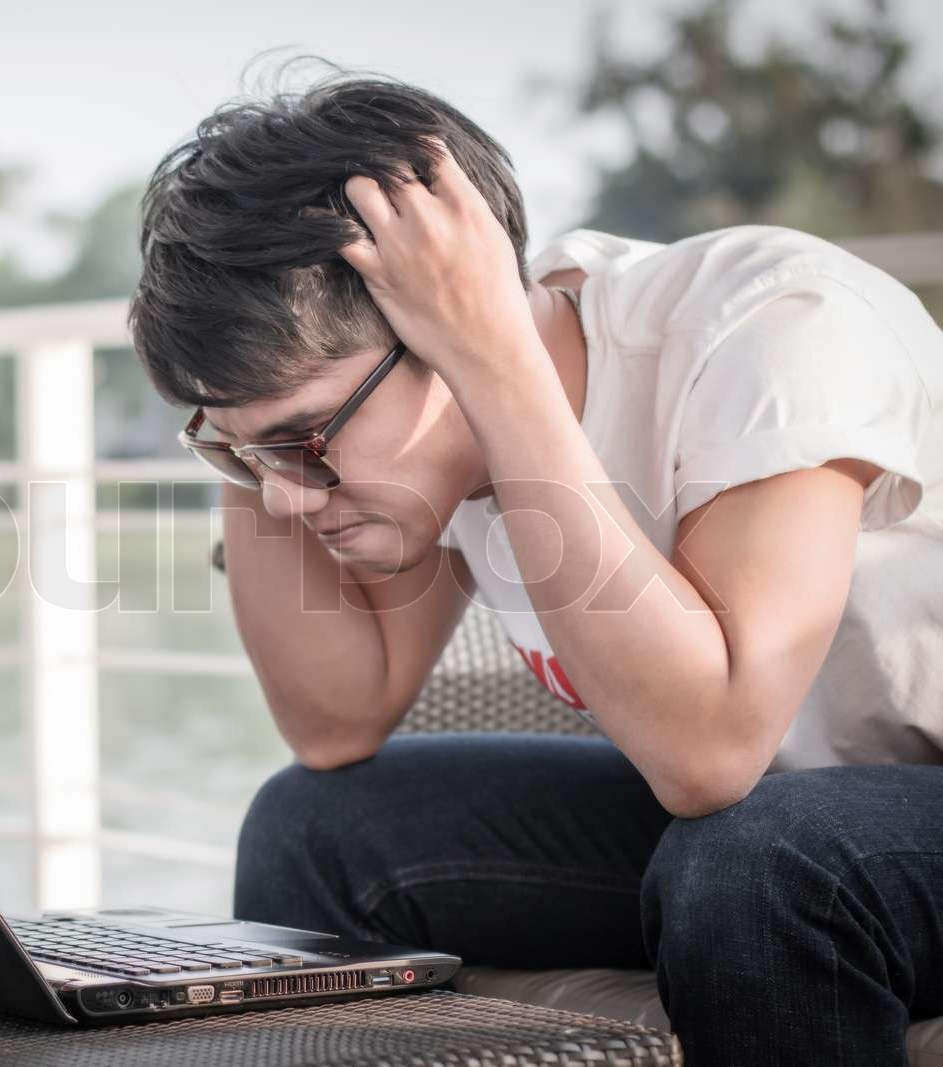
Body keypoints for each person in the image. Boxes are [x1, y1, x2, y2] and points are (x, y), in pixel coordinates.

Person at [126, 68, 943, 1065]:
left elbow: (707, 752)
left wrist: (494, 364)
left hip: (857, 822)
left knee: (758, 860)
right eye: (252, 451)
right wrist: (240, 421)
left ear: (444, 327)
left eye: (308, 438)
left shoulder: (771, 323)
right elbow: (336, 717)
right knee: (311, 825)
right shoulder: (403, 443)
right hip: (776, 815)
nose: (291, 499)